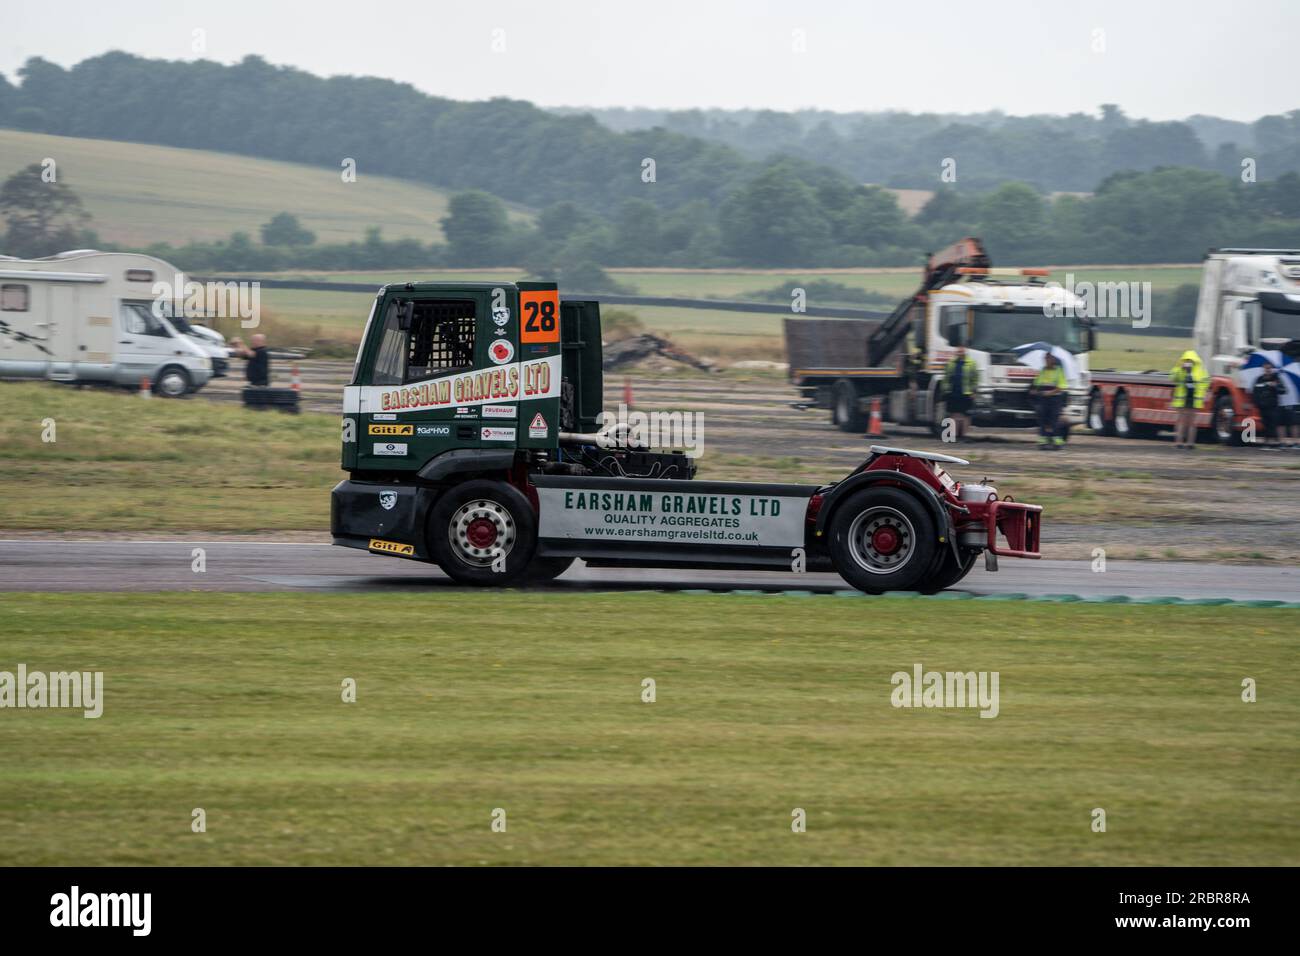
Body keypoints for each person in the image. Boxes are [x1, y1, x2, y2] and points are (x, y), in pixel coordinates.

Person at [1170, 350, 1208, 450]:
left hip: (1193, 399)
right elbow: (1173, 378)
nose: (1188, 362)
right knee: (1182, 421)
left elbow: (1206, 382)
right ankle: (1179, 442)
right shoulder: (1180, 368)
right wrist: (1181, 369)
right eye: (1186, 361)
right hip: (1183, 399)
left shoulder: (1199, 369)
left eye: (1189, 361)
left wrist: (1200, 390)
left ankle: (1190, 443)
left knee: (1191, 422)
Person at [1029, 353, 1068, 449]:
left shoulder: (1058, 371)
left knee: (1054, 419)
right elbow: (1037, 383)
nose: (1045, 360)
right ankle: (1043, 440)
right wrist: (1034, 390)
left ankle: (1057, 441)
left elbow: (1061, 387)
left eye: (1048, 358)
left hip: (1055, 399)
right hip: (1043, 398)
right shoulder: (1042, 370)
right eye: (1045, 358)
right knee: (1043, 418)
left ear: (1053, 359)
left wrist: (1050, 393)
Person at [941, 346, 978, 442]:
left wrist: (974, 392)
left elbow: (975, 379)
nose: (960, 353)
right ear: (956, 353)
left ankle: (964, 435)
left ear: (965, 352)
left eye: (962, 351)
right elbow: (946, 378)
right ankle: (954, 436)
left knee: (966, 415)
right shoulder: (951, 364)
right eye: (958, 351)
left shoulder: (972, 364)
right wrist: (945, 390)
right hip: (953, 392)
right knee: (954, 415)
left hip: (966, 393)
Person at [1252, 365, 1285, 449]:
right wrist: (1257, 403)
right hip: (1263, 406)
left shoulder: (1276, 378)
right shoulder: (1259, 379)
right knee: (1265, 424)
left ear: (1272, 369)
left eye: (1269, 368)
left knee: (1273, 424)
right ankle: (1265, 443)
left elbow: (1283, 391)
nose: (1267, 370)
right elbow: (1255, 392)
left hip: (1273, 405)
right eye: (1266, 368)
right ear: (1263, 369)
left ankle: (1276, 443)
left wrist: (1276, 386)